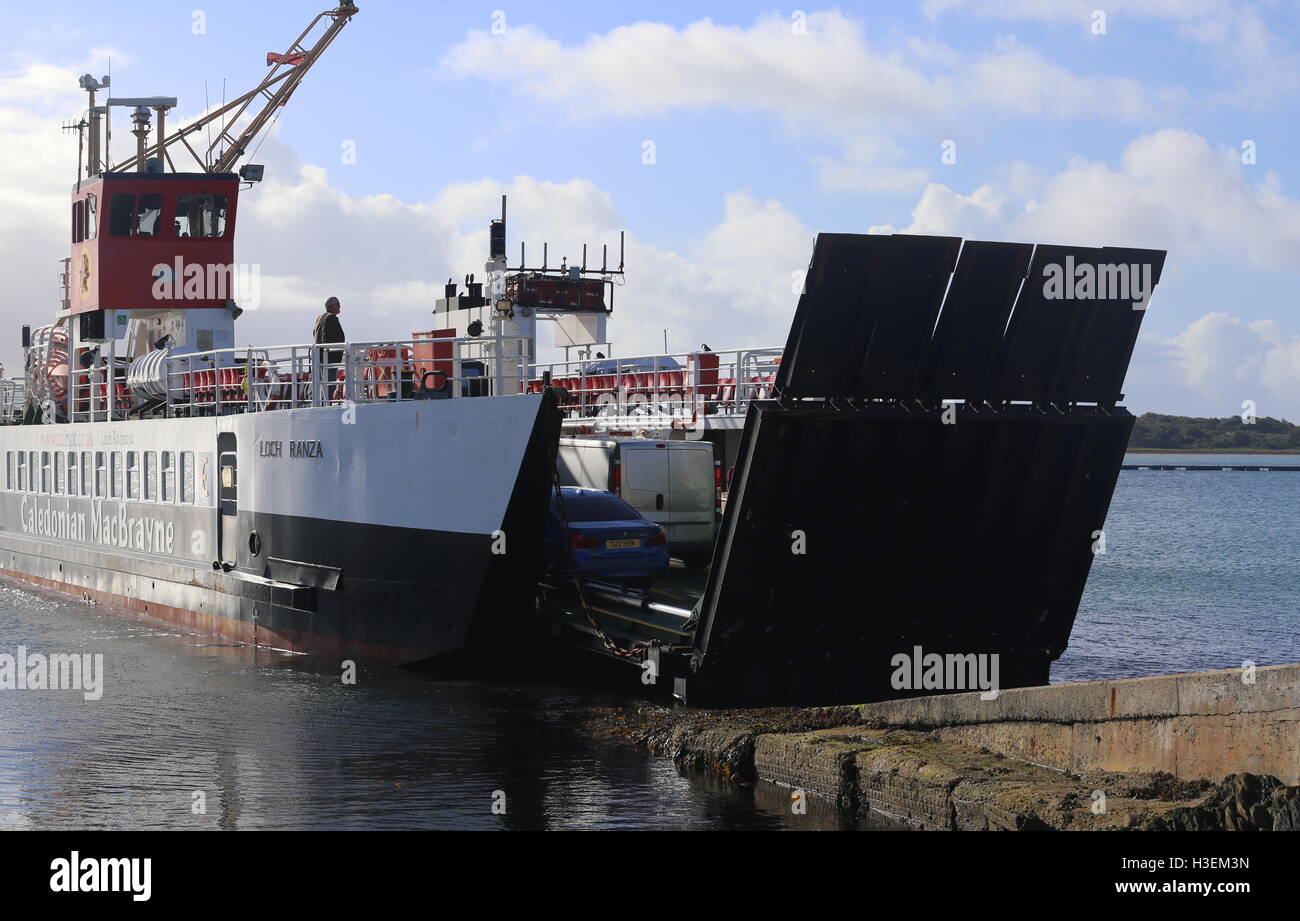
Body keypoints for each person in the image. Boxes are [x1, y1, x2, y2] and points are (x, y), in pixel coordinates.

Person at [313, 297, 346, 400]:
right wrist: (328, 349)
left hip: (321, 356)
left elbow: (315, 333)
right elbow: (325, 335)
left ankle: (325, 400)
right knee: (329, 382)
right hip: (329, 357)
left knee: (323, 381)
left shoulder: (320, 317)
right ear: (331, 306)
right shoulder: (331, 317)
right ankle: (329, 401)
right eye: (338, 304)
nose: (340, 306)